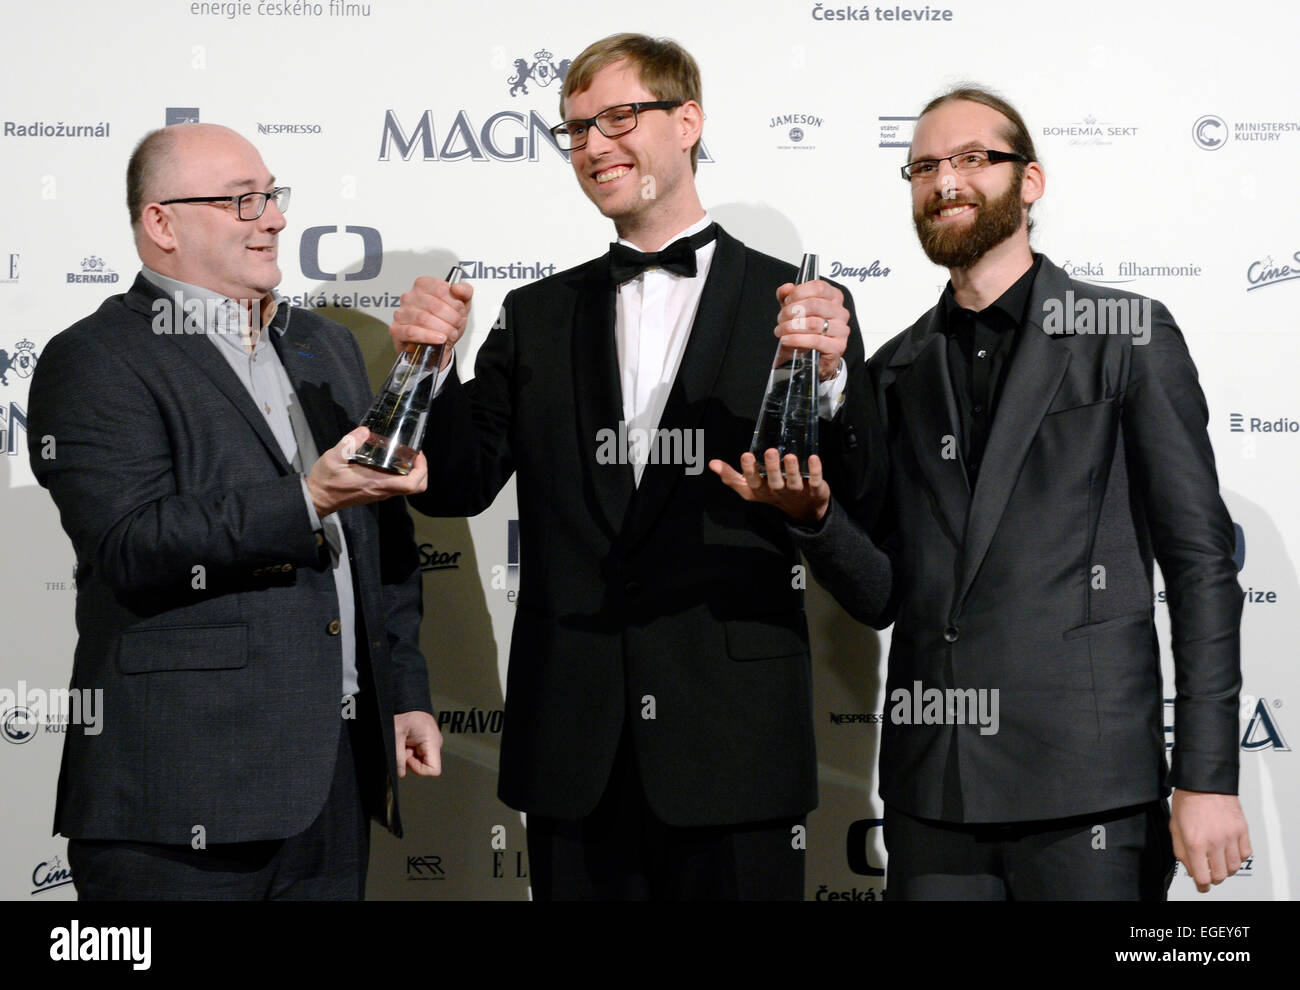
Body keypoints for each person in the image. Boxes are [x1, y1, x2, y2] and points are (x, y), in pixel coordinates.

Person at [712, 87, 1251, 900]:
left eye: (972, 159)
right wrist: (817, 521)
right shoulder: (893, 368)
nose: (945, 182)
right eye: (924, 166)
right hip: (936, 795)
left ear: (1030, 181)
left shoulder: (1124, 335)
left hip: (1089, 791)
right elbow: (886, 594)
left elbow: (1202, 566)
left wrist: (1206, 777)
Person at [388, 32, 865, 900]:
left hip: (734, 747)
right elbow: (458, 482)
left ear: (688, 122)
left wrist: (827, 383)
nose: (593, 146)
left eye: (617, 117)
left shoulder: (798, 309)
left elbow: (854, 506)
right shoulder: (534, 315)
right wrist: (431, 366)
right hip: (575, 748)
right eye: (574, 130)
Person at [27, 123, 442, 900]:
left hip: (334, 786)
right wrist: (305, 497)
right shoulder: (94, 357)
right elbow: (130, 541)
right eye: (242, 200)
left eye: (273, 196)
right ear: (162, 223)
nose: (274, 219)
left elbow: (377, 536)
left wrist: (404, 689)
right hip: (178, 801)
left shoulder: (324, 345)